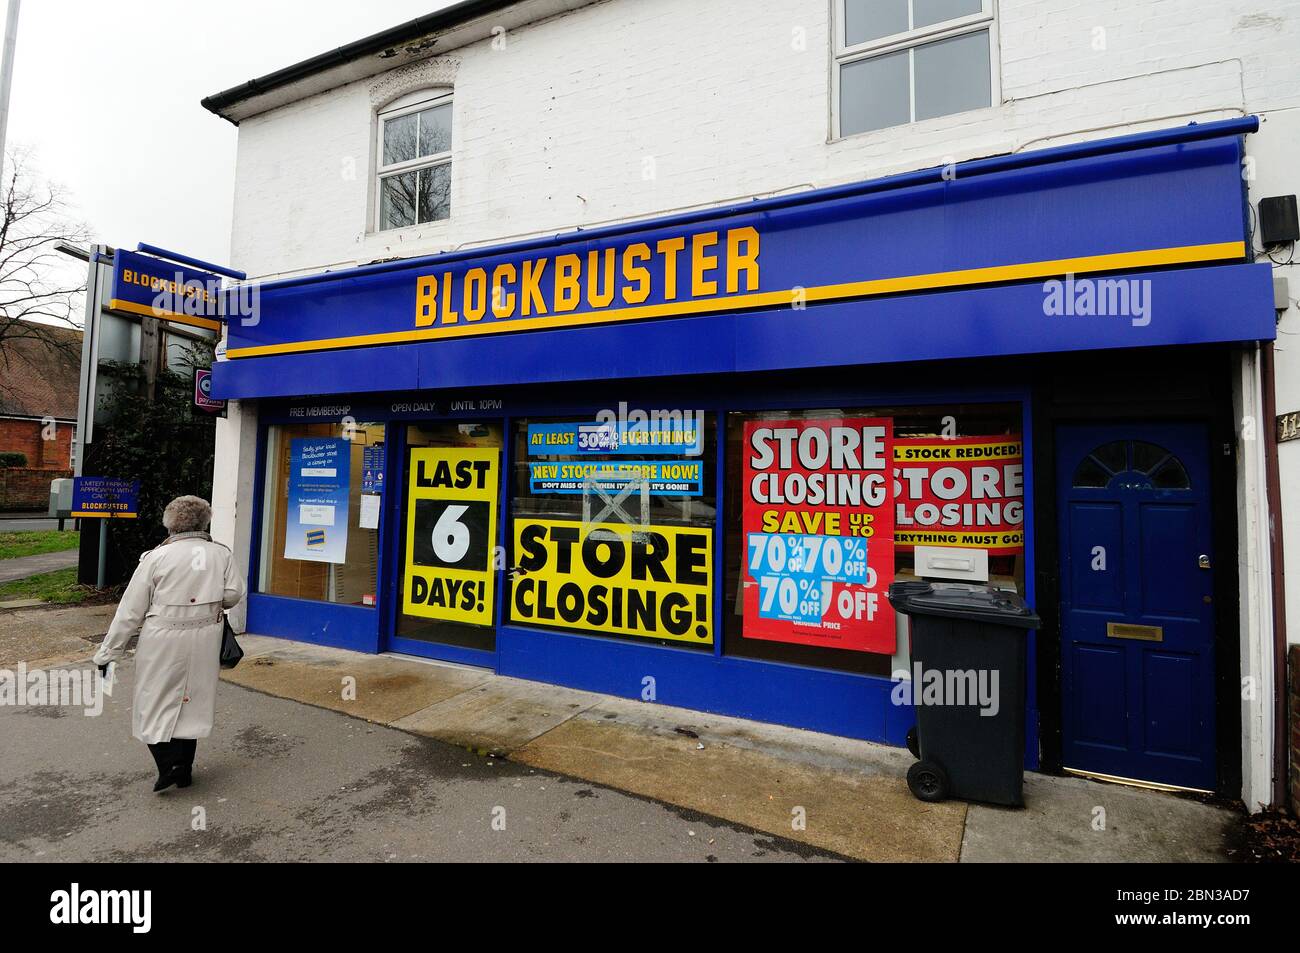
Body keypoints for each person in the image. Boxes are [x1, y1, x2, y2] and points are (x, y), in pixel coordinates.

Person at [93, 495, 246, 792]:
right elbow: (233, 594)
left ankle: (167, 766)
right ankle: (183, 769)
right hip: (205, 636)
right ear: (205, 521)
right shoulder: (221, 554)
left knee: (152, 700)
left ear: (170, 523)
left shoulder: (156, 558)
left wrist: (108, 652)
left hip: (163, 636)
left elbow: (130, 611)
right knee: (193, 702)